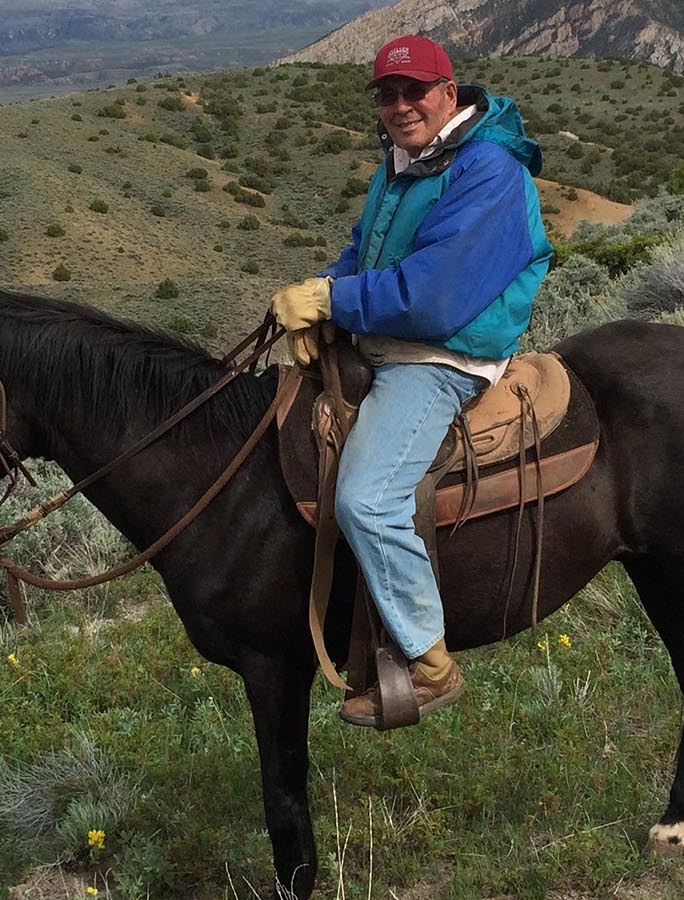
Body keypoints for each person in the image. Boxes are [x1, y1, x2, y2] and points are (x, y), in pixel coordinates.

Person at [268, 34, 553, 727]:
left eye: (415, 91)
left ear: (449, 95)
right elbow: (366, 251)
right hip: (389, 336)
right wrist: (327, 284)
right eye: (388, 95)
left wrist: (333, 304)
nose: (400, 106)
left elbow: (432, 297)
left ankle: (430, 664)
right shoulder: (404, 163)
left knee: (365, 498)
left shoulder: (488, 171)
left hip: (441, 356)